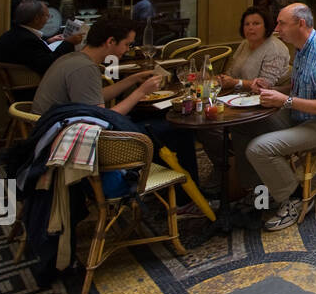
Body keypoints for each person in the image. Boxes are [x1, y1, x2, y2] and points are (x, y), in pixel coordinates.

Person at [30, 18, 201, 186]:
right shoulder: (84, 69)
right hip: (78, 144)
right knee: (178, 129)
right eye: (127, 44)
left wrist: (131, 80)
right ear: (111, 41)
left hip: (58, 132)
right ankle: (183, 199)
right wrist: (140, 91)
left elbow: (94, 98)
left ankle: (159, 181)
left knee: (153, 118)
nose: (127, 50)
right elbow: (104, 117)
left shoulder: (73, 59)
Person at [244, 3, 316, 231]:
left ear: (301, 24)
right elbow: (298, 90)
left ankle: (294, 198)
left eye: (282, 23)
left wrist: (285, 101)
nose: (276, 29)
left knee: (258, 148)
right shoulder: (302, 48)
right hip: (302, 115)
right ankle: (261, 196)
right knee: (246, 126)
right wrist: (273, 91)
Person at [0, 0, 79, 78]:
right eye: (47, 16)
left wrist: (47, 42)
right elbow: (49, 64)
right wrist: (68, 42)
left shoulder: (14, 33)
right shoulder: (27, 41)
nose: (47, 19)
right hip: (32, 85)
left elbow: (32, 54)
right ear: (37, 19)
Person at [219, 6, 291, 93]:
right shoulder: (245, 43)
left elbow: (265, 85)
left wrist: (235, 83)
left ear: (266, 26)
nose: (250, 28)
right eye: (247, 24)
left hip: (265, 100)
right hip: (238, 96)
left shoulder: (275, 48)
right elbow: (231, 73)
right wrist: (220, 79)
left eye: (256, 24)